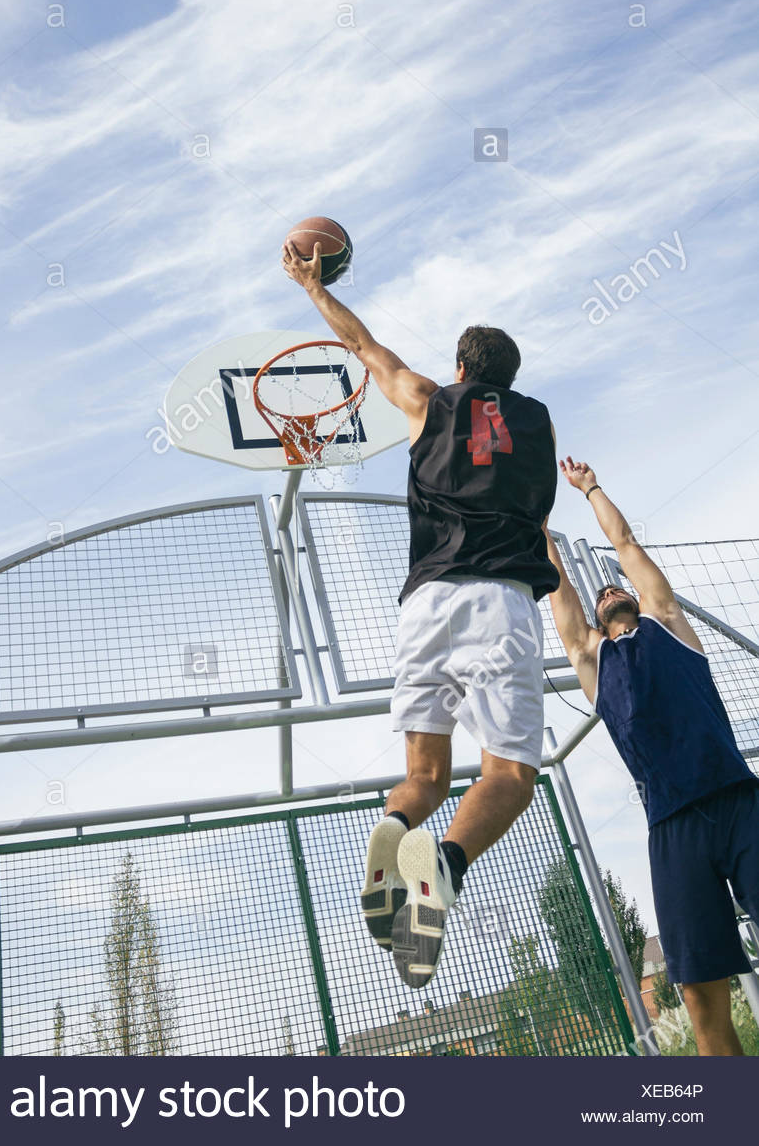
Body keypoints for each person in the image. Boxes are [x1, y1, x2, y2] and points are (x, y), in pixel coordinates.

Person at [283, 238, 558, 987]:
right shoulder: (539, 427)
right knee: (508, 774)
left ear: (463, 369)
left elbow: (362, 345)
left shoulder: (427, 398)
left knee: (426, 776)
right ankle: (444, 861)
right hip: (499, 599)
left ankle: (398, 826)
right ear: (510, 378)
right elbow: (538, 517)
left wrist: (314, 287)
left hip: (424, 603)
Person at [545, 456, 759, 1055]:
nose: (611, 588)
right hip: (672, 829)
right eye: (602, 592)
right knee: (699, 994)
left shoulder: (667, 623)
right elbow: (555, 582)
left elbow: (625, 542)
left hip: (741, 805)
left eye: (618, 585)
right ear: (595, 618)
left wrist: (589, 489)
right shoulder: (593, 661)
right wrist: (537, 521)